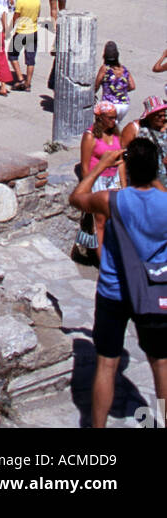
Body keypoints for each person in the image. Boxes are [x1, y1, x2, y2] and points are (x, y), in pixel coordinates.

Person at [70, 137, 167, 430]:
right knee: (161, 363)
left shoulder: (111, 200)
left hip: (114, 290)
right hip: (153, 291)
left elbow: (77, 197)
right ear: (156, 167)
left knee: (106, 363)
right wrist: (156, 177)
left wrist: (101, 165)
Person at [75, 103, 126, 256]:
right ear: (99, 117)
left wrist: (124, 187)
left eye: (115, 118)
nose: (113, 121)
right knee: (100, 224)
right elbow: (85, 166)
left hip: (113, 179)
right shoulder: (90, 136)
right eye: (110, 118)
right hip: (98, 181)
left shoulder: (116, 134)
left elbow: (121, 161)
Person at [121, 96, 167, 186]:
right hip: (143, 182)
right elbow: (122, 156)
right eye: (159, 116)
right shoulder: (135, 128)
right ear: (150, 116)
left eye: (164, 115)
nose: (163, 118)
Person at [8, 0, 41, 91]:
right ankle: (28, 83)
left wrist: (9, 29)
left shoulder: (20, 1)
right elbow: (38, 15)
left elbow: (16, 17)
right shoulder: (37, 1)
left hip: (21, 32)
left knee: (12, 55)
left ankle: (20, 78)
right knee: (30, 59)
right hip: (33, 31)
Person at [95, 42, 135, 123]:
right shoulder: (124, 69)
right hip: (124, 105)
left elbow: (96, 85)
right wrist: (120, 90)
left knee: (105, 130)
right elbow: (132, 86)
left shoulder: (105, 69)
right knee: (114, 127)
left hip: (110, 105)